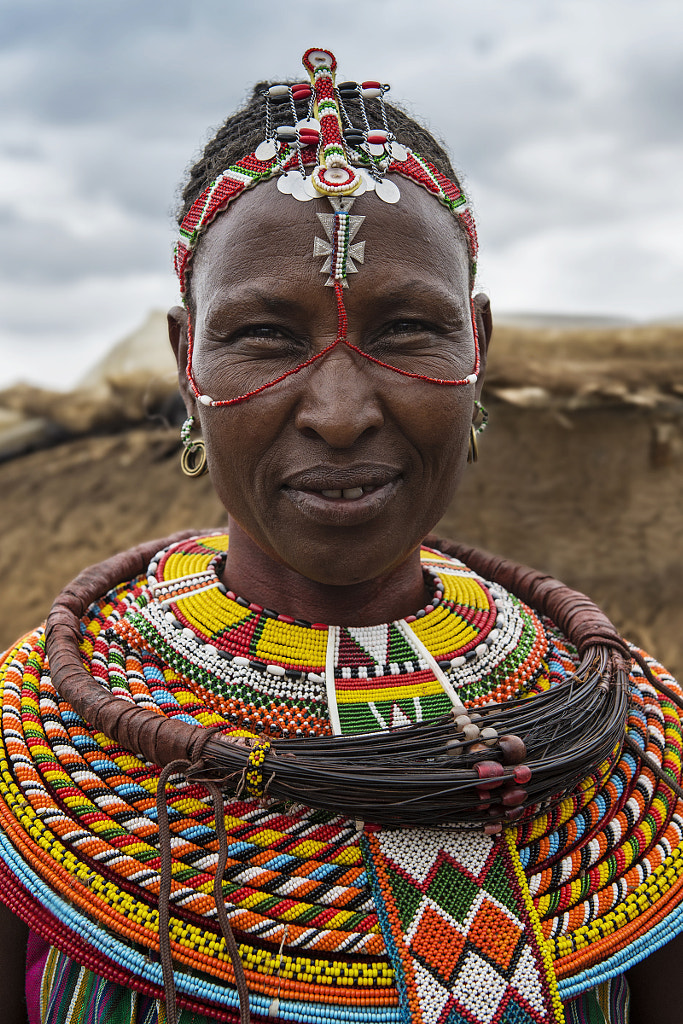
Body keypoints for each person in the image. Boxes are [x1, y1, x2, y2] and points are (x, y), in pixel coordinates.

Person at [0, 45, 681, 1024]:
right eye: (265, 335)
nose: (337, 408)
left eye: (406, 327)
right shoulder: (36, 751)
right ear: (186, 357)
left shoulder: (630, 755)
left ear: (476, 348)